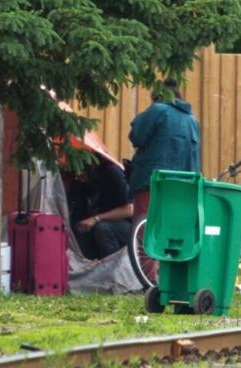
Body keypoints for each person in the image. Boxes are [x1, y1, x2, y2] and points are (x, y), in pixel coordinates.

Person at [126, 78, 200, 217]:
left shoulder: (157, 110)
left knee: (145, 230)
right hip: (183, 188)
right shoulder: (192, 120)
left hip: (152, 184)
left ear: (157, 97)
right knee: (170, 230)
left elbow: (136, 137)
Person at [63, 157, 134, 259]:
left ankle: (113, 267)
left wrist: (96, 219)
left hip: (128, 225)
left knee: (102, 228)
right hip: (102, 224)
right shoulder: (81, 182)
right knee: (80, 229)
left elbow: (128, 210)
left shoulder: (111, 172)